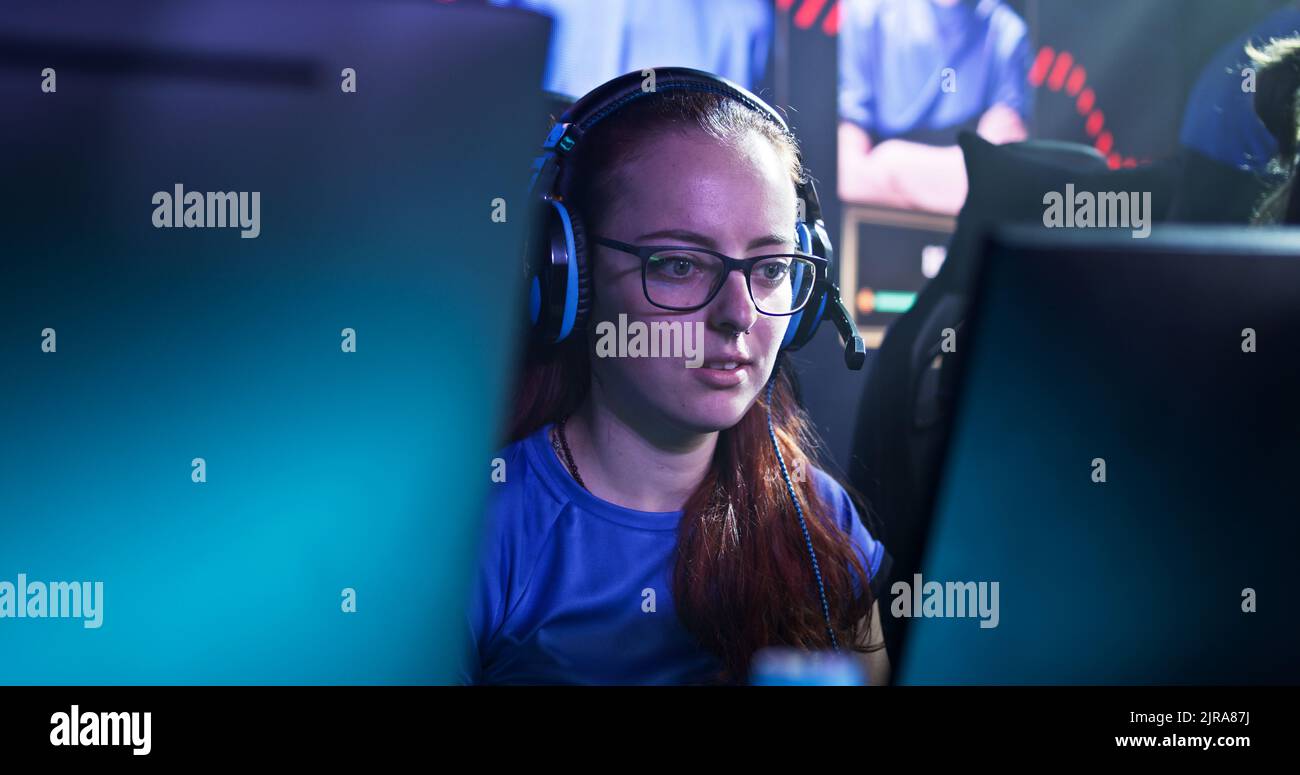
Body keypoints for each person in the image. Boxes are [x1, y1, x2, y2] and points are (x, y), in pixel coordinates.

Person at [463, 73, 889, 685]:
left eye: (770, 269)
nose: (737, 316)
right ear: (569, 278)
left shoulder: (821, 515)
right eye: (679, 264)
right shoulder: (478, 532)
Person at [837, 0, 1032, 214]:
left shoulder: (1006, 33)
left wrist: (891, 161)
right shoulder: (864, 14)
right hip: (878, 238)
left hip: (964, 240)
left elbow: (1000, 182)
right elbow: (847, 175)